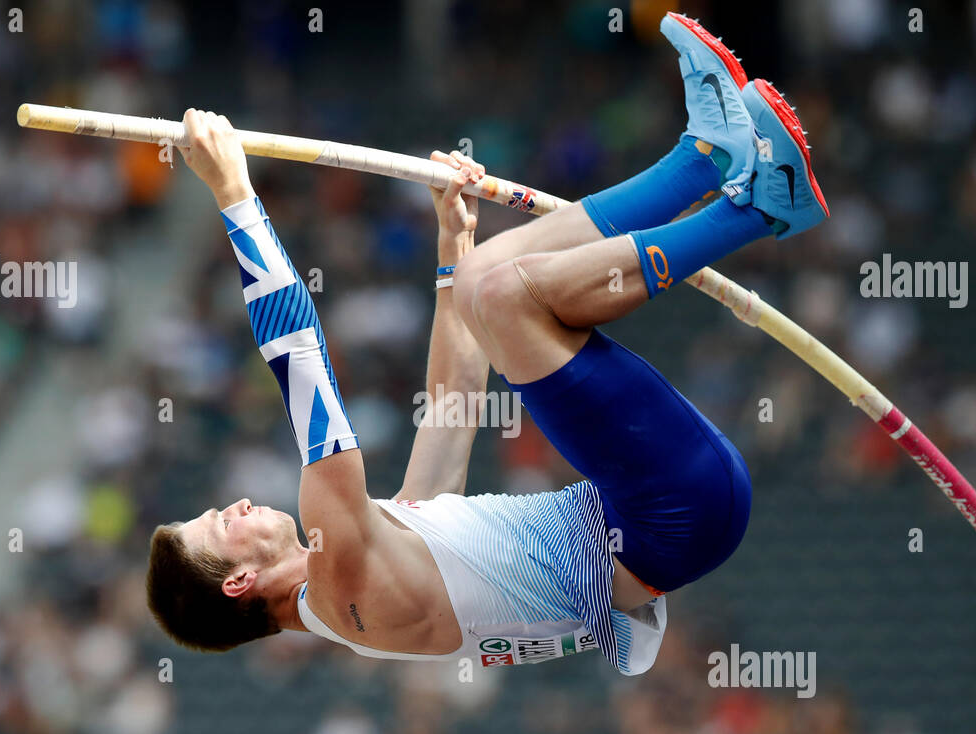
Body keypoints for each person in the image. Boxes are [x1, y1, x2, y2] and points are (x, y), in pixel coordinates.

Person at [146, 13, 828, 674]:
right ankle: (763, 206)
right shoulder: (342, 583)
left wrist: (452, 252)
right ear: (238, 583)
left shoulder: (366, 575)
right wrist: (235, 193)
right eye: (217, 525)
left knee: (481, 280)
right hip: (670, 512)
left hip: (670, 508)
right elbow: (299, 357)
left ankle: (704, 157)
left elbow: (450, 410)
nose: (231, 506)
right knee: (504, 299)